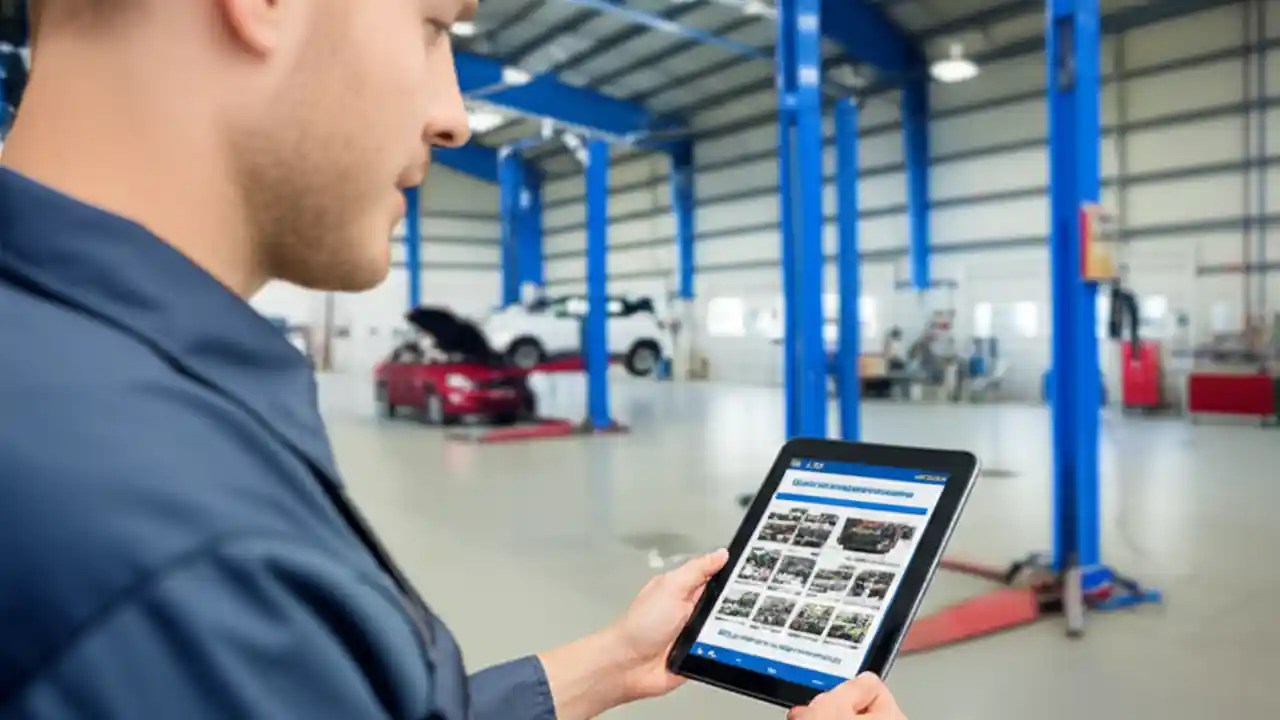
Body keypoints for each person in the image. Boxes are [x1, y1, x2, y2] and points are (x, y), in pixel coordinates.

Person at [0, 1, 907, 719]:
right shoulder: (168, 545)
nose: (453, 118)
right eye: (434, 27)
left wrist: (606, 666)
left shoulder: (87, 387)